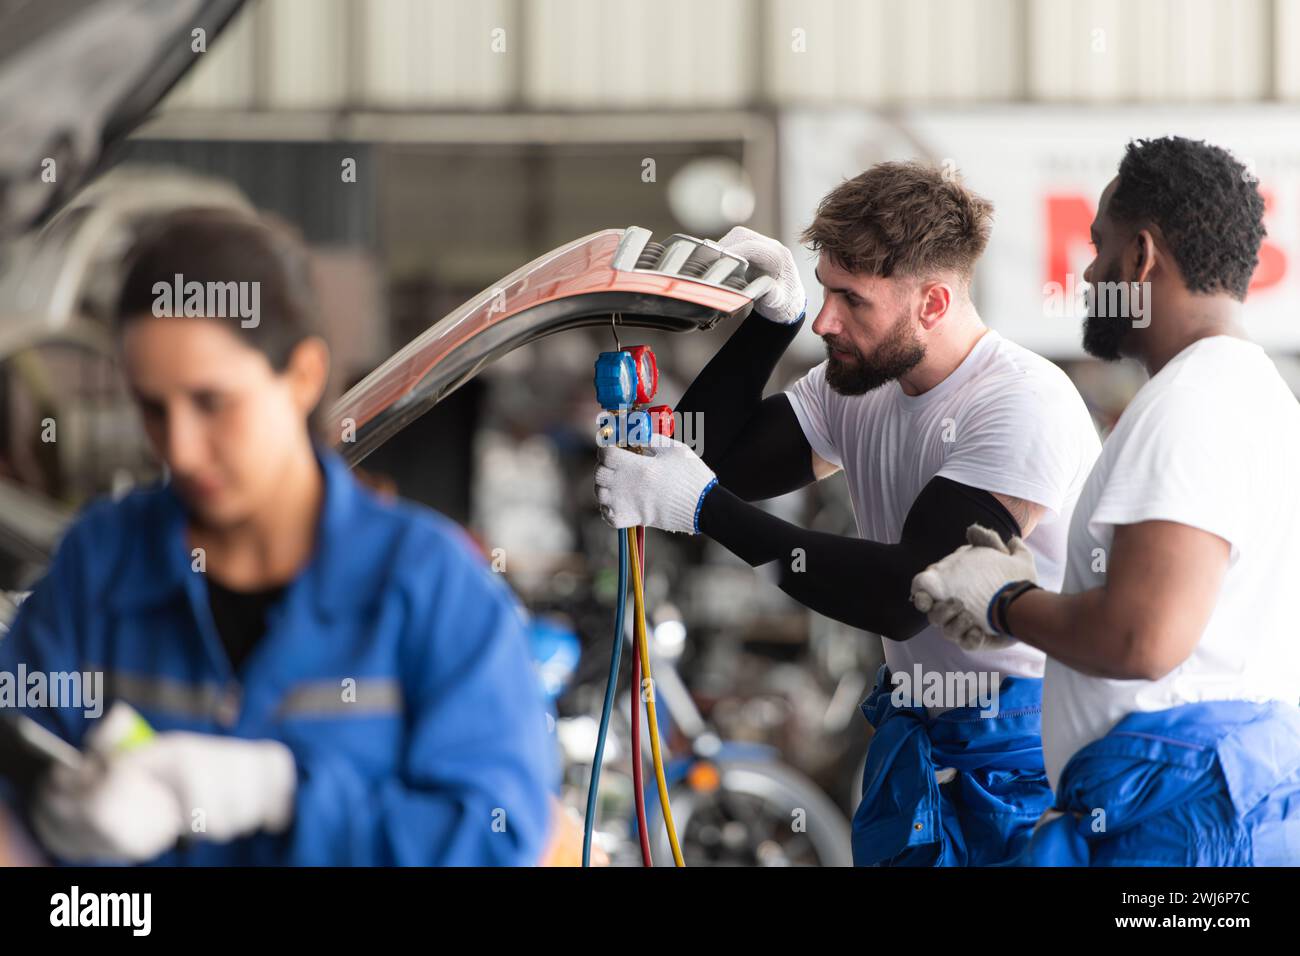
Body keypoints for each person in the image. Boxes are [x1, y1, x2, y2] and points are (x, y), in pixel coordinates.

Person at [0, 207, 556, 865]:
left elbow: (497, 837)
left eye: (212, 402)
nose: (180, 446)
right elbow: (17, 760)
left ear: (302, 375)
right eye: (153, 407)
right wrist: (54, 819)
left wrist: (286, 792)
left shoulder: (430, 588)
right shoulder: (100, 568)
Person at [595, 162, 1101, 865]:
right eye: (825, 292)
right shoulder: (859, 385)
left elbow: (907, 595)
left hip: (1020, 746)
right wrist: (771, 324)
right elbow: (706, 457)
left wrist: (706, 510)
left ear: (931, 304)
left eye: (851, 300)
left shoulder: (1018, 405)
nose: (829, 322)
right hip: (917, 723)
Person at [911, 136, 1300, 866]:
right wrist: (1045, 602)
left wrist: (1007, 602)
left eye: (1099, 247)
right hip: (1207, 802)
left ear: (1141, 256)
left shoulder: (1191, 403)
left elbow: (1143, 639)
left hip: (1172, 822)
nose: (1088, 271)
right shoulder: (1256, 395)